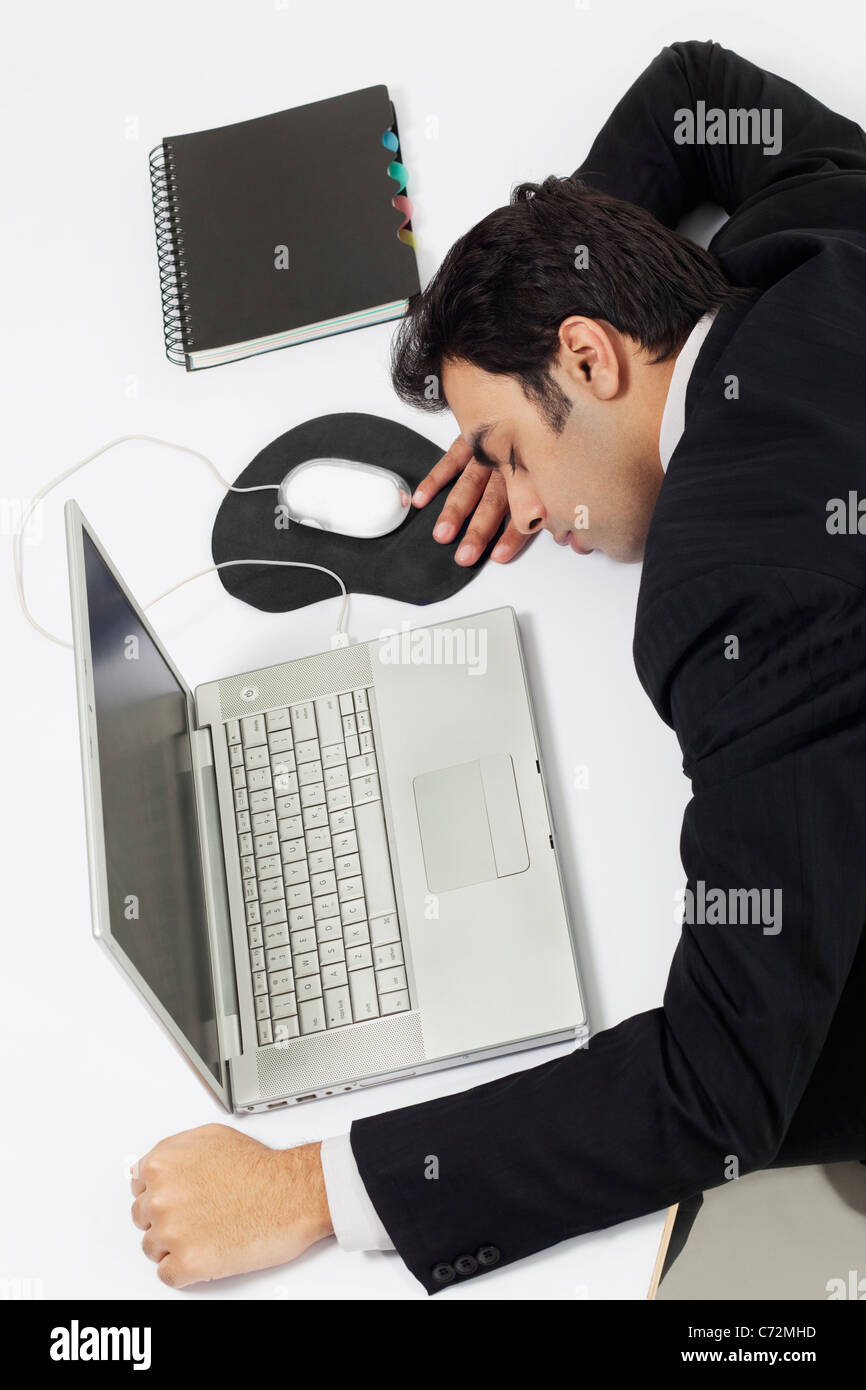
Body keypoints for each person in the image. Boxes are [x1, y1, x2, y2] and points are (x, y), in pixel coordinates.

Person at [130, 38, 866, 1293]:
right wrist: (544, 275)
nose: (506, 502)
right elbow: (694, 89)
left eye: (501, 449)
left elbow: (717, 1082)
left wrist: (311, 1186)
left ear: (590, 356)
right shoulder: (816, 228)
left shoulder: (734, 582)